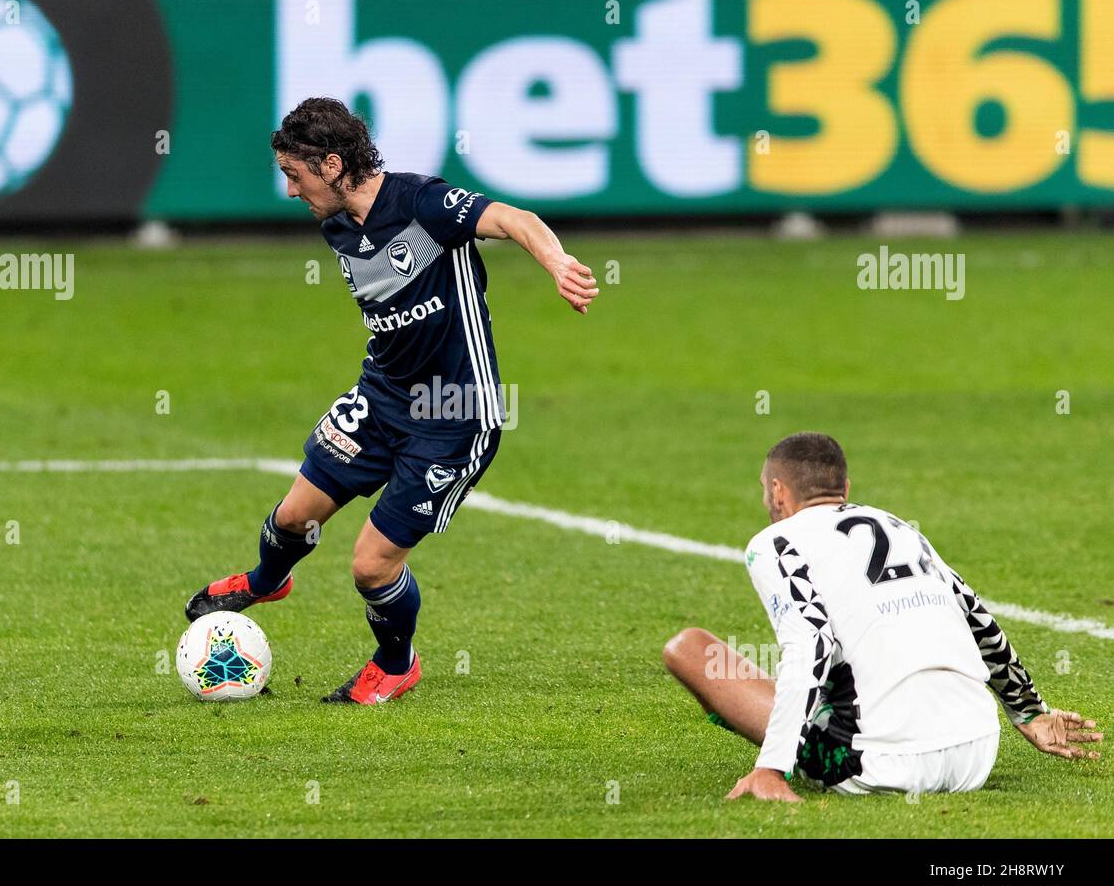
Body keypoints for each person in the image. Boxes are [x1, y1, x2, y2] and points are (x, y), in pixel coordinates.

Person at [186, 97, 599, 704]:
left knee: (370, 566)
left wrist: (557, 261)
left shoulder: (421, 203)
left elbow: (515, 219)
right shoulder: (335, 225)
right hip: (381, 395)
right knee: (292, 517)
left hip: (454, 415)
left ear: (331, 164)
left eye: (294, 175)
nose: (291, 191)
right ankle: (266, 582)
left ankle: (397, 661)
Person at [664, 431, 1101, 799]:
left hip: (883, 766)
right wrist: (1028, 712)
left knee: (689, 649)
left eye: (764, 488)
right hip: (977, 754)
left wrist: (772, 767)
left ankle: (792, 750)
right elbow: (976, 614)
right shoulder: (900, 527)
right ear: (845, 489)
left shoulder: (776, 541)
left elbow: (811, 641)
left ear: (778, 491)